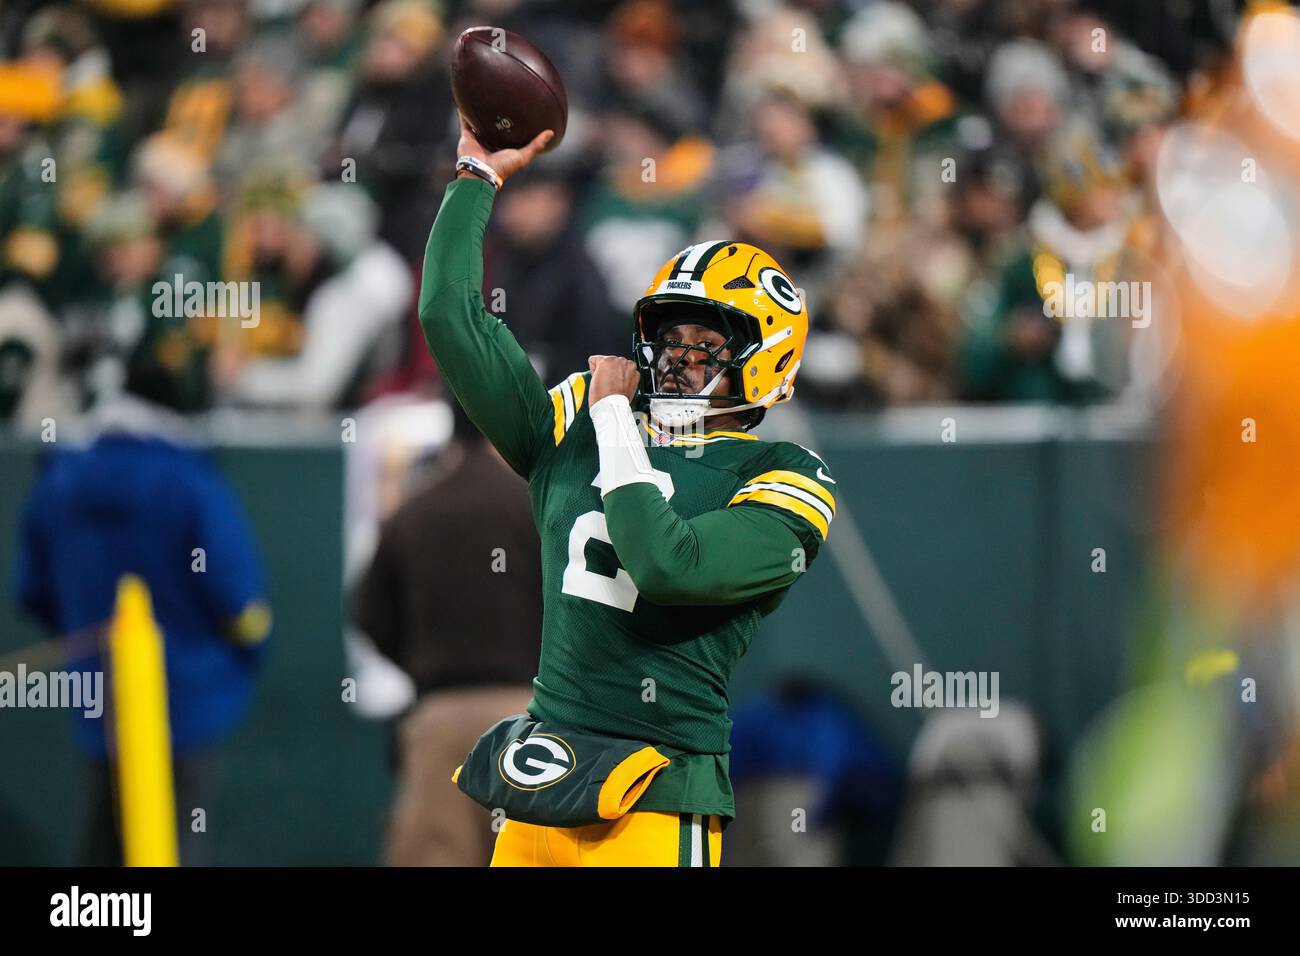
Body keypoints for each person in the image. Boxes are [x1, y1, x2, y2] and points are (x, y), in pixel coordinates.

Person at [418, 116, 837, 866]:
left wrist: (614, 420)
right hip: (539, 780)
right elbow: (449, 317)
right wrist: (476, 177)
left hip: (655, 797)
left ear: (767, 359)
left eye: (706, 344)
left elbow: (665, 563)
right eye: (669, 338)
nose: (677, 360)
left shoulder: (784, 475)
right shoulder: (585, 413)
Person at [11, 328, 272, 866]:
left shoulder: (62, 480)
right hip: (190, 701)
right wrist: (244, 652)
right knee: (175, 843)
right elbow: (237, 597)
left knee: (103, 843)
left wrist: (82, 645)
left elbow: (31, 589)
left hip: (97, 697)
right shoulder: (191, 483)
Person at [353, 399, 542, 866]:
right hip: (537, 721)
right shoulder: (537, 504)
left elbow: (370, 613)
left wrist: (420, 666)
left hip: (440, 721)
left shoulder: (415, 510)